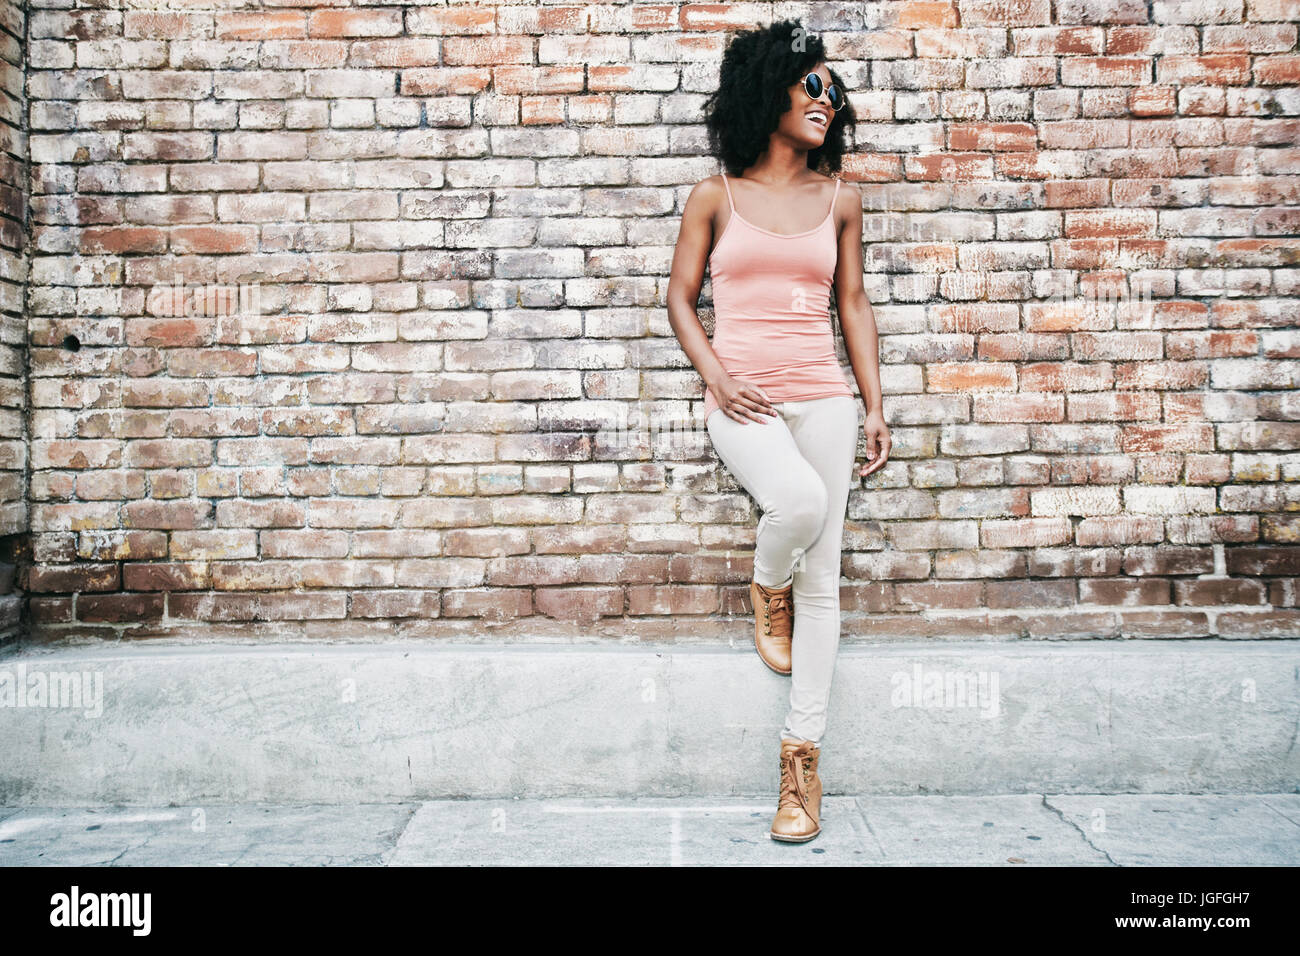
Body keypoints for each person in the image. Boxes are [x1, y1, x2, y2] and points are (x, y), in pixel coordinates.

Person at [666, 20, 891, 844]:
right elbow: (680, 299)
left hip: (823, 397)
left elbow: (853, 304)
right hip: (742, 400)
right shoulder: (715, 195)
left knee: (825, 583)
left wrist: (871, 402)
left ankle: (801, 768)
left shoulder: (842, 200)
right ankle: (768, 584)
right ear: (770, 90)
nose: (827, 101)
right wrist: (718, 377)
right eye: (813, 86)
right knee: (795, 501)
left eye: (836, 91)